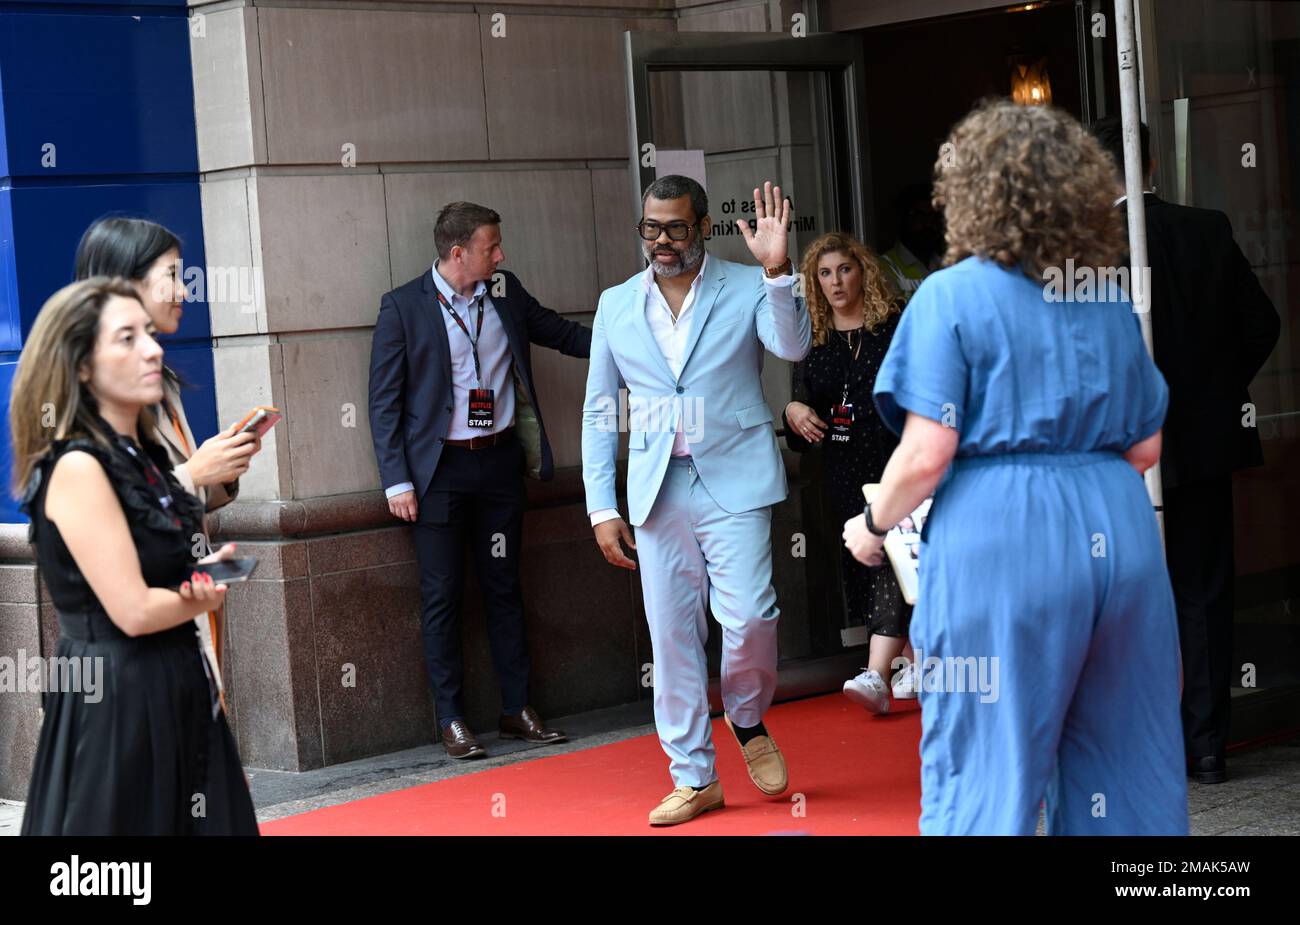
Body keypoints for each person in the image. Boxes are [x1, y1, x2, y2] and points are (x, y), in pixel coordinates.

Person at [843, 100, 1188, 835]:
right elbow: (1146, 447)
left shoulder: (949, 295)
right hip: (1118, 532)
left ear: (969, 195)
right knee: (1127, 763)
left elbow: (927, 453)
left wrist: (872, 524)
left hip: (1004, 536)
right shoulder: (1100, 291)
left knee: (985, 770)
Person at [583, 176, 810, 826]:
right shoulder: (615, 304)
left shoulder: (744, 286)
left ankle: (745, 713)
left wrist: (777, 271)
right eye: (651, 228)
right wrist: (602, 505)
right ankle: (694, 776)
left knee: (751, 617)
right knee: (673, 638)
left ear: (703, 226)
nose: (661, 241)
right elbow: (601, 409)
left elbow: (791, 347)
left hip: (733, 478)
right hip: (658, 490)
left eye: (676, 228)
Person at [12, 278, 258, 835]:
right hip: (119, 700)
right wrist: (198, 596)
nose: (152, 348)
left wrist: (202, 574)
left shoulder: (138, 456)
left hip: (175, 681)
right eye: (126, 338)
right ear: (79, 367)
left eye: (148, 333)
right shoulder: (77, 466)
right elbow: (132, 611)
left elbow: (155, 571)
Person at [1091, 116, 1280, 785]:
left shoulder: (1084, 243)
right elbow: (1262, 322)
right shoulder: (1206, 227)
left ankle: (1139, 747)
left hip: (1115, 454)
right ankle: (1204, 746)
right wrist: (1212, 390)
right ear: (1151, 166)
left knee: (1120, 599)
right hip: (1200, 441)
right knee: (1202, 595)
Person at [368, 201, 591, 759]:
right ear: (457, 252)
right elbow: (384, 403)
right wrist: (397, 482)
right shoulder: (403, 308)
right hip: (438, 472)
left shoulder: (504, 293)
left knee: (503, 587)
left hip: (497, 465)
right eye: (492, 247)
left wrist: (643, 334)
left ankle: (517, 709)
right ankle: (451, 719)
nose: (502, 254)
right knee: (442, 594)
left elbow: (562, 335)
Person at [74, 217, 263, 683]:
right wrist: (194, 473)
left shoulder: (162, 382)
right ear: (126, 285)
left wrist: (219, 473)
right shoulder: (86, 410)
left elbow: (169, 489)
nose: (184, 291)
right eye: (172, 276)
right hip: (140, 640)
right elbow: (110, 512)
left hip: (183, 608)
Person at [781, 232, 913, 711]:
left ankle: (878, 675)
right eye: (825, 273)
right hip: (841, 473)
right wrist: (793, 410)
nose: (836, 281)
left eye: (844, 269)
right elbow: (802, 428)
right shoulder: (813, 341)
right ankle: (914, 663)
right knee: (871, 570)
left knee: (888, 560)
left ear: (863, 273)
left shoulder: (894, 328)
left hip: (897, 467)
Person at [879, 184, 944, 305]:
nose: (928, 224)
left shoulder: (946, 263)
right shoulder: (885, 267)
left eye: (933, 217)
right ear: (903, 219)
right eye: (920, 216)